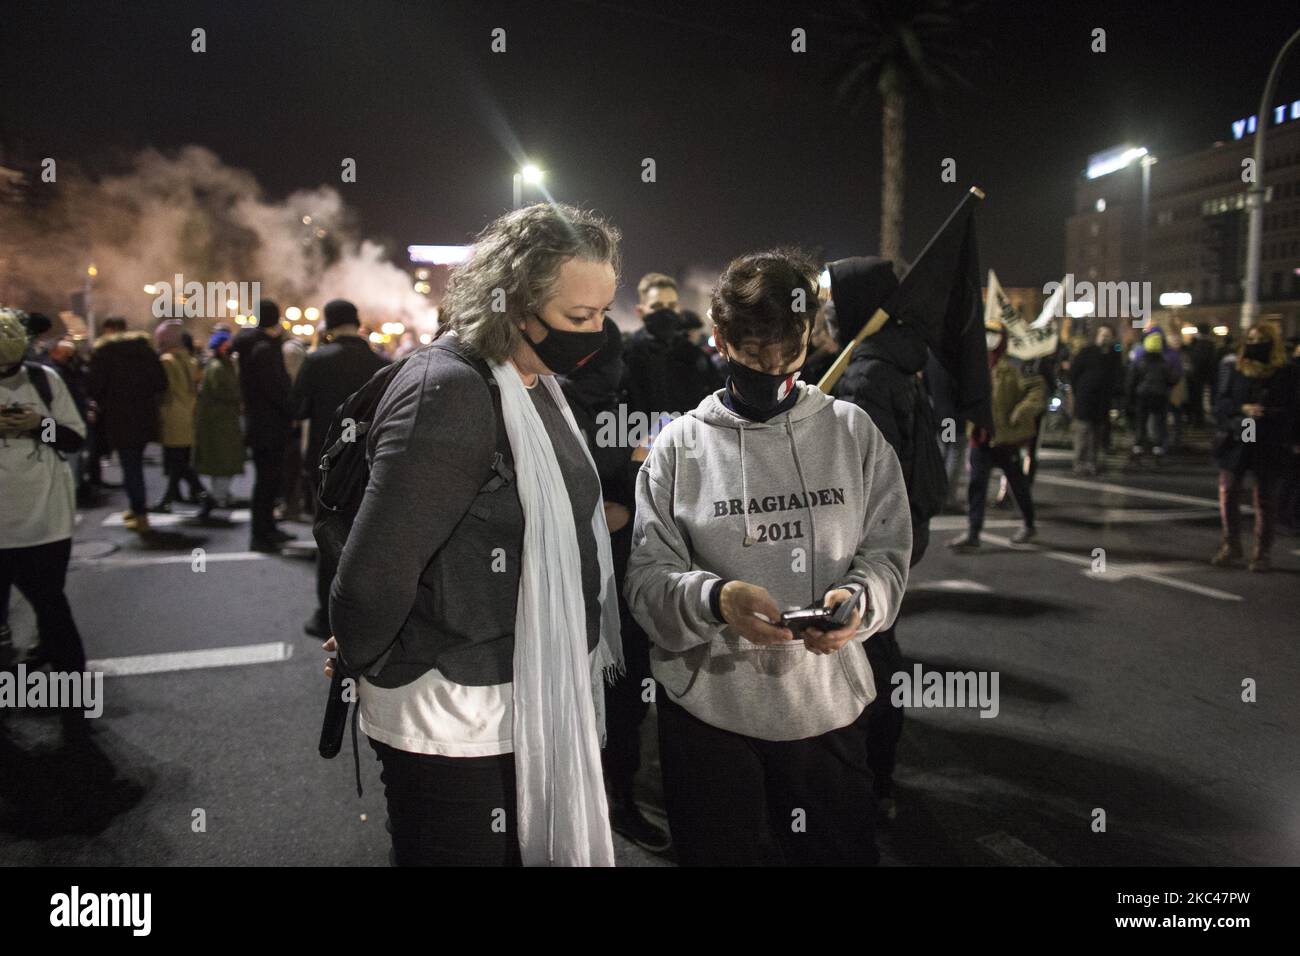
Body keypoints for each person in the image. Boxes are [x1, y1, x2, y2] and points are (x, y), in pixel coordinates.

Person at [325, 203, 624, 867]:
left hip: (521, 696)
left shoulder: (532, 381)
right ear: (515, 306)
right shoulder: (449, 393)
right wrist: (360, 648)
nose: (598, 333)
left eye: (604, 312)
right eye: (580, 318)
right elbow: (375, 575)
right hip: (452, 717)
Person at [624, 248, 911, 866]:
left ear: (813, 335)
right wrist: (714, 599)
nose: (774, 368)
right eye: (755, 353)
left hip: (828, 711)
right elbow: (646, 580)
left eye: (791, 351)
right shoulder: (678, 448)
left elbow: (888, 553)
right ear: (722, 339)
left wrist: (858, 602)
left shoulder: (853, 432)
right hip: (709, 717)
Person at [555, 317, 672, 854]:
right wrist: (602, 514)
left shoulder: (622, 411)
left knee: (623, 695)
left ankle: (618, 797)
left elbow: (646, 492)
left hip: (619, 583)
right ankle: (587, 799)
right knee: (581, 695)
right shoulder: (543, 406)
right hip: (568, 583)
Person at [829, 255, 933, 822]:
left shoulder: (865, 374)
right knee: (880, 651)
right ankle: (877, 781)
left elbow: (866, 477)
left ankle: (871, 784)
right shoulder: (896, 360)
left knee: (869, 659)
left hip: (868, 544)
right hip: (901, 534)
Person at [0, 309, 90, 740]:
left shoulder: (44, 381)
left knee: (53, 613)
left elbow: (74, 439)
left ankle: (74, 712)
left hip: (46, 522)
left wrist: (40, 425)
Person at [292, 299, 388, 638]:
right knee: (365, 537)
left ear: (329, 325)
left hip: (327, 462)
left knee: (329, 536)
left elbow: (298, 408)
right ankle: (362, 612)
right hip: (370, 461)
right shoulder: (381, 362)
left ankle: (326, 615)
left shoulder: (317, 359)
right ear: (357, 322)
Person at [948, 320, 1044, 552]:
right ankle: (973, 533)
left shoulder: (1015, 365)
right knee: (976, 485)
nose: (988, 338)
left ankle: (1029, 524)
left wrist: (1021, 411)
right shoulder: (976, 363)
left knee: (1017, 483)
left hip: (1005, 438)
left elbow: (1037, 389)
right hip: (980, 436)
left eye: (993, 333)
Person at [1210, 323, 1298, 572]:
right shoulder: (1236, 368)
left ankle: (1262, 552)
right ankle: (1231, 544)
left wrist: (1270, 415)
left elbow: (1293, 407)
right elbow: (1222, 402)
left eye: (1261, 339)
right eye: (1251, 338)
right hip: (1242, 432)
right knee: (1229, 489)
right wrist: (1243, 411)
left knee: (1266, 496)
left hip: (1269, 435)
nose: (1256, 343)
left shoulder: (1285, 372)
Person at [85, 316, 168, 533]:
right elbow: (161, 382)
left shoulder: (104, 353)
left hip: (118, 418)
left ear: (109, 330)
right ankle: (138, 508)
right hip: (144, 416)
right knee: (135, 463)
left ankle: (139, 512)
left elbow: (93, 387)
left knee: (130, 465)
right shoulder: (144, 350)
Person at [231, 300, 296, 551]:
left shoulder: (251, 346)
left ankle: (266, 528)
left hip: (260, 423)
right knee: (268, 481)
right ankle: (262, 534)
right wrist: (291, 410)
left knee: (267, 480)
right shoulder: (264, 348)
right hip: (270, 425)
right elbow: (276, 389)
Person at [152, 319, 209, 512]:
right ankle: (170, 496)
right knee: (180, 459)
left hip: (172, 413)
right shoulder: (191, 361)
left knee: (178, 461)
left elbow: (161, 388)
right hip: (189, 413)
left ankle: (203, 494)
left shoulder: (166, 362)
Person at [194, 328, 245, 520]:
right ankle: (217, 496)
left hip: (222, 420)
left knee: (223, 460)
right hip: (219, 421)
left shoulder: (221, 365)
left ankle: (220, 493)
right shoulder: (218, 367)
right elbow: (224, 392)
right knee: (222, 459)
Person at [1068, 325, 1122, 476]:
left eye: (1107, 335)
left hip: (1102, 401)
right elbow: (1074, 373)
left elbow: (1117, 376)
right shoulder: (1087, 352)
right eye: (1102, 334)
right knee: (1083, 432)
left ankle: (1092, 462)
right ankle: (1079, 462)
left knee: (1097, 434)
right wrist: (1079, 390)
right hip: (1086, 398)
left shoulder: (1113, 355)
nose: (1104, 337)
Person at [1126, 325, 1181, 464]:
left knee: (1141, 423)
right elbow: (1173, 378)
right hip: (1160, 396)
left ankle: (1138, 449)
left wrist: (1131, 395)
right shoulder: (1165, 362)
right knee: (1159, 424)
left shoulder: (1140, 360)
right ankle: (1158, 451)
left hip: (1143, 395)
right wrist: (1166, 387)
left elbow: (1132, 379)